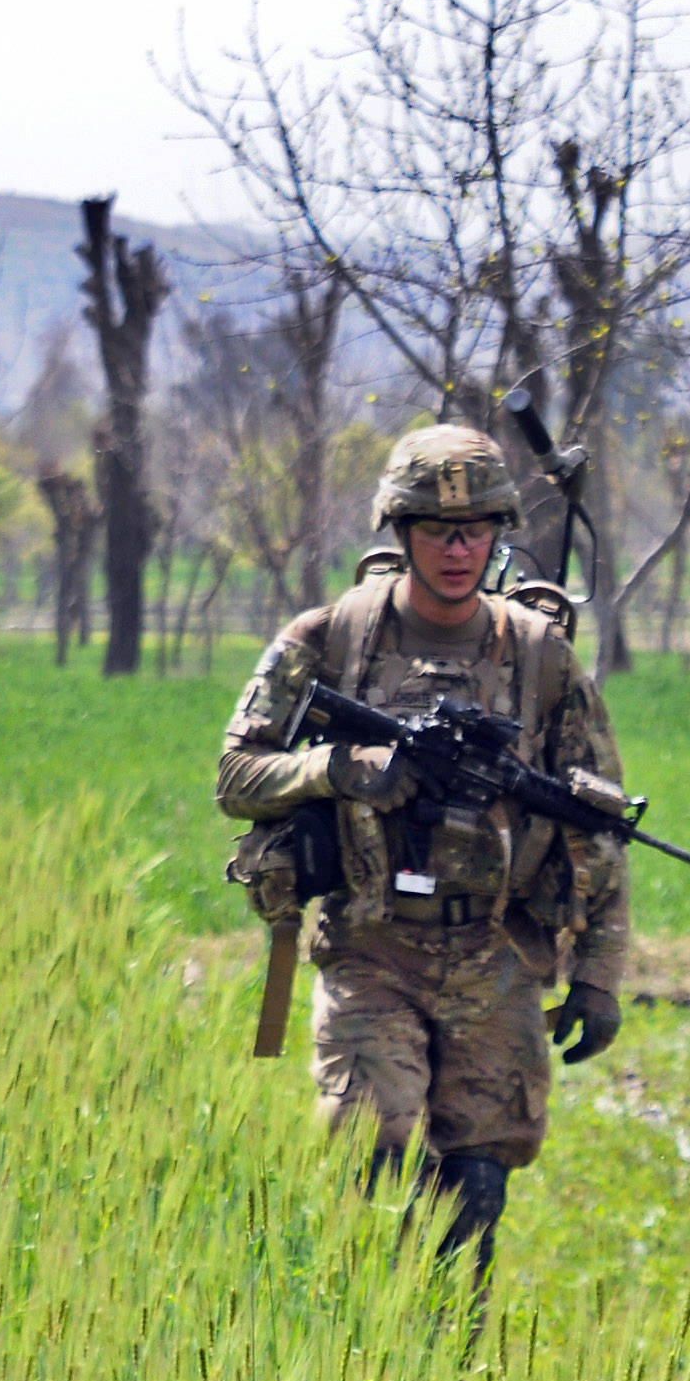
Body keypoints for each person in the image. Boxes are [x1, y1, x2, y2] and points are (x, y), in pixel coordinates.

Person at [215, 422, 630, 1291]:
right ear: (399, 533)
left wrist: (598, 975)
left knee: (478, 1179)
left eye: (477, 529)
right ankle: (362, 1344)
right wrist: (341, 769)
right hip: (373, 948)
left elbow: (598, 825)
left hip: (496, 951)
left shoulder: (541, 658)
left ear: (499, 535)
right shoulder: (329, 637)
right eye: (438, 530)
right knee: (371, 1153)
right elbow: (237, 772)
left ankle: (448, 1360)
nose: (457, 548)